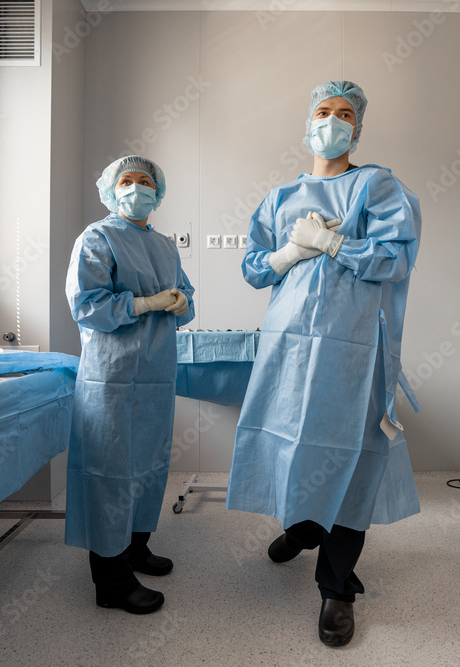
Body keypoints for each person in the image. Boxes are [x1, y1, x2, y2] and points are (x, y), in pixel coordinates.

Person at [226, 81, 422, 647]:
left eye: (344, 114)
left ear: (357, 129)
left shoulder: (375, 185)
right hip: (288, 347)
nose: (332, 121)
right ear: (307, 123)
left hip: (351, 350)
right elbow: (254, 268)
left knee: (350, 457)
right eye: (323, 111)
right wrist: (291, 251)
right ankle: (303, 529)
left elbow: (395, 260)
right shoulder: (280, 197)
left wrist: (335, 244)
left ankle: (336, 587)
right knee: (292, 444)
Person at [65, 155, 195, 615]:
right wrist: (144, 304)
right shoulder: (97, 237)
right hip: (113, 375)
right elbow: (87, 305)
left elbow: (184, 296)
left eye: (145, 181)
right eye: (127, 181)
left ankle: (136, 546)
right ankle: (111, 579)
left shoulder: (164, 245)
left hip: (156, 372)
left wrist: (181, 303)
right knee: (111, 470)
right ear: (111, 190)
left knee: (150, 463)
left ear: (157, 192)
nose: (137, 188)